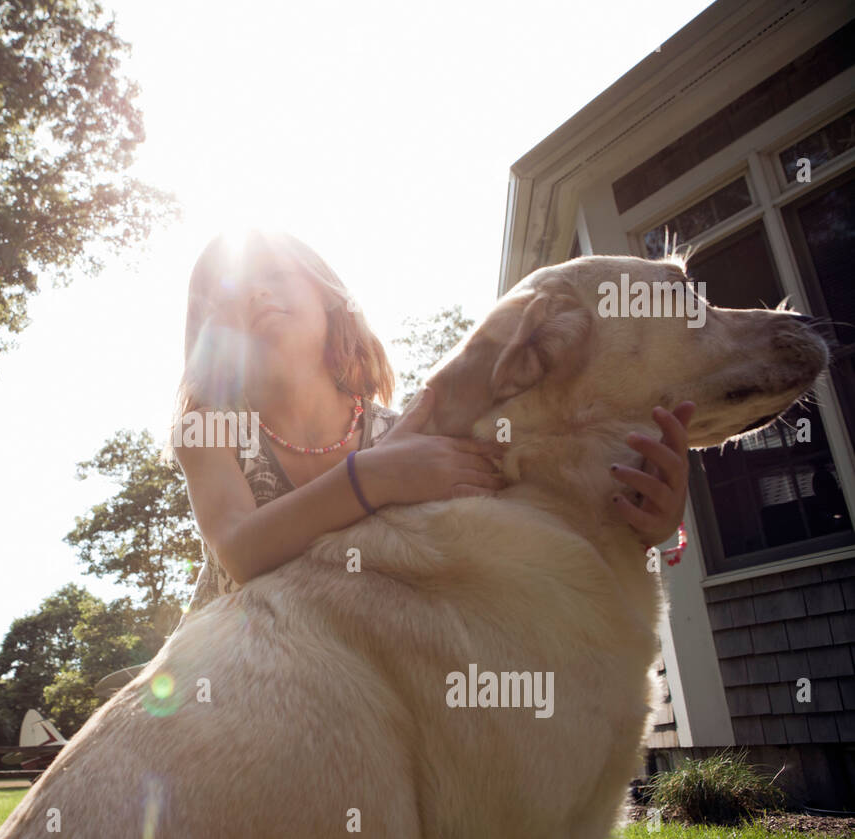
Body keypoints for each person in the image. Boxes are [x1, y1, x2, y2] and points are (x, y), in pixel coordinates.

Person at [93, 228, 692, 698]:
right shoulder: (210, 430)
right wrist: (374, 477)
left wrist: (650, 523)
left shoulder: (405, 429)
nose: (255, 292)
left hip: (362, 671)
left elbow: (532, 513)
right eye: (227, 290)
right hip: (229, 672)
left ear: (330, 301)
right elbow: (240, 551)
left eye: (275, 274)